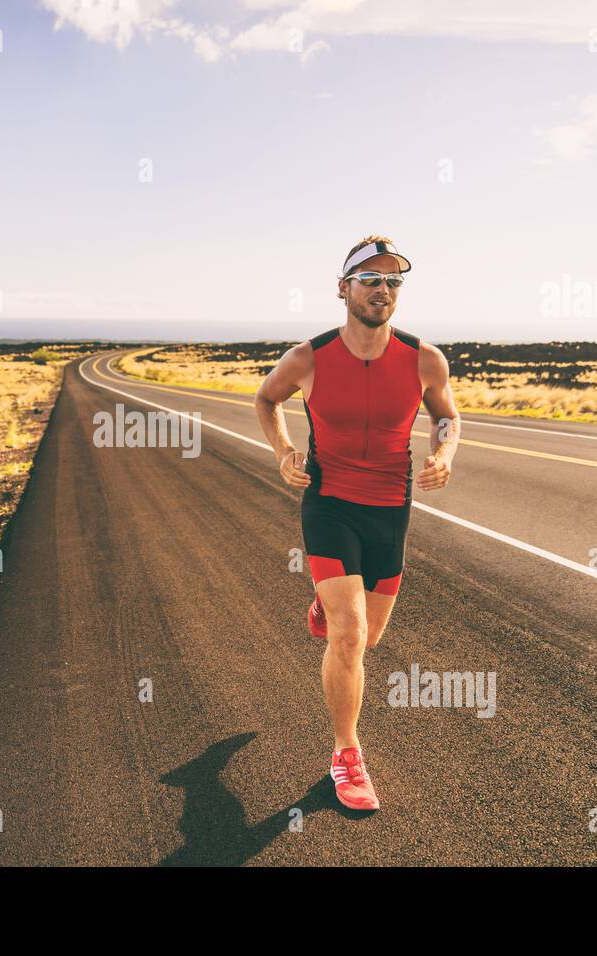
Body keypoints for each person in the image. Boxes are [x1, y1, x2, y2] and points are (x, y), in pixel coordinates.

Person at [253, 236, 461, 811]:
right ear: (343, 288)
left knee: (368, 637)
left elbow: (448, 417)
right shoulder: (309, 357)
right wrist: (285, 452)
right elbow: (266, 401)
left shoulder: (424, 359)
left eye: (394, 280)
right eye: (371, 278)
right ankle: (347, 754)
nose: (383, 289)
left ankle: (328, 603)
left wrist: (444, 455)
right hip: (331, 502)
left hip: (390, 508)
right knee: (348, 636)